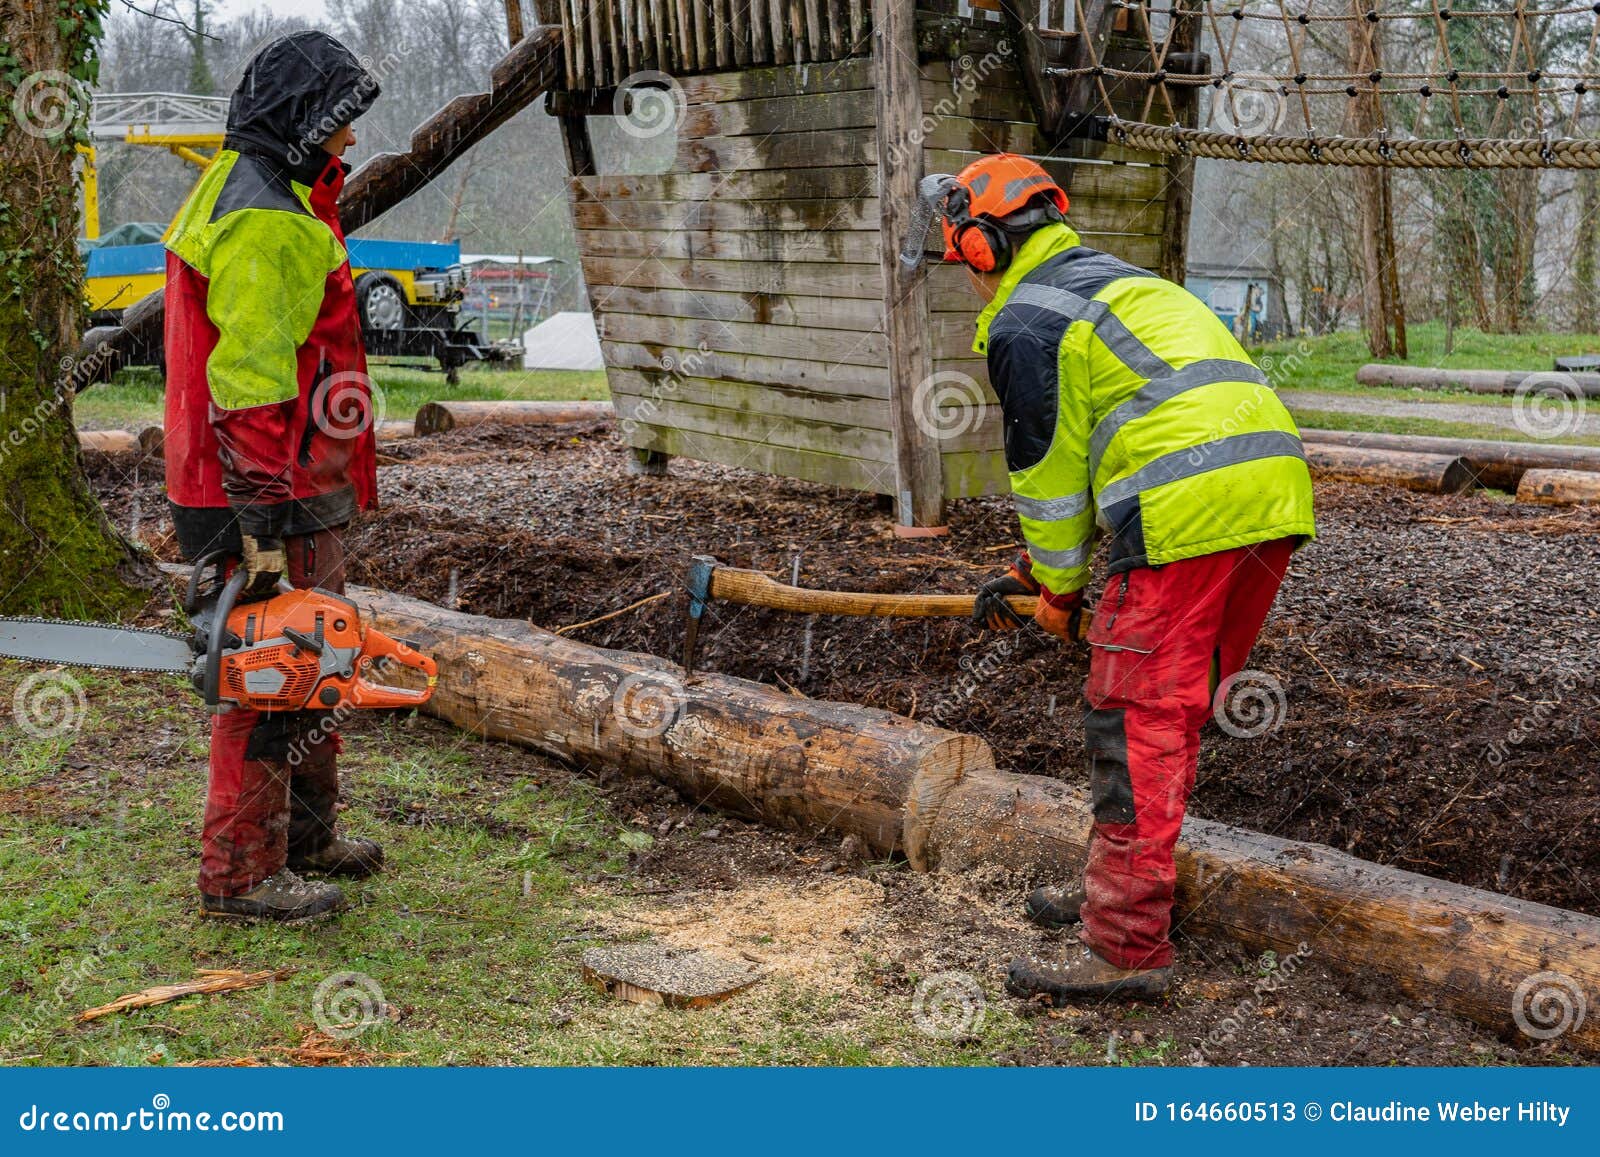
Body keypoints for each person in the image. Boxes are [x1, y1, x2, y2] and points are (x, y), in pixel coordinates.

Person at [949, 154, 1317, 1002]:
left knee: (1136, 723)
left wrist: (1055, 591)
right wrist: (1037, 577)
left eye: (959, 259)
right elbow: (1100, 451)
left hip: (1184, 509)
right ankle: (1124, 891)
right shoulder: (1116, 283)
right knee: (1173, 714)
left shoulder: (1027, 322)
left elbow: (1046, 479)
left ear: (979, 247)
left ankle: (1123, 946)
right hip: (1268, 495)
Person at [164, 31, 385, 922]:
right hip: (265, 485)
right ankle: (242, 871)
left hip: (290, 475)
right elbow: (251, 380)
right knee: (268, 666)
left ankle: (304, 833)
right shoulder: (268, 220)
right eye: (340, 125)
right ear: (302, 123)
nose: (352, 142)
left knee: (318, 651)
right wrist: (256, 523)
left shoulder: (256, 189)